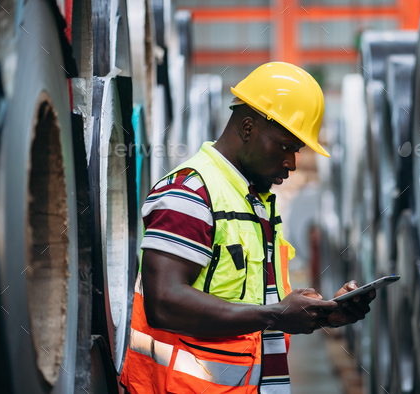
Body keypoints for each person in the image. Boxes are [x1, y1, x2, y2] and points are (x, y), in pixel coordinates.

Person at [120, 62, 375, 394]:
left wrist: (324, 314)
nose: (292, 163)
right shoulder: (190, 193)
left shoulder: (254, 202)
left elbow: (252, 302)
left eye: (296, 151)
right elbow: (164, 301)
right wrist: (276, 315)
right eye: (285, 146)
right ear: (248, 127)